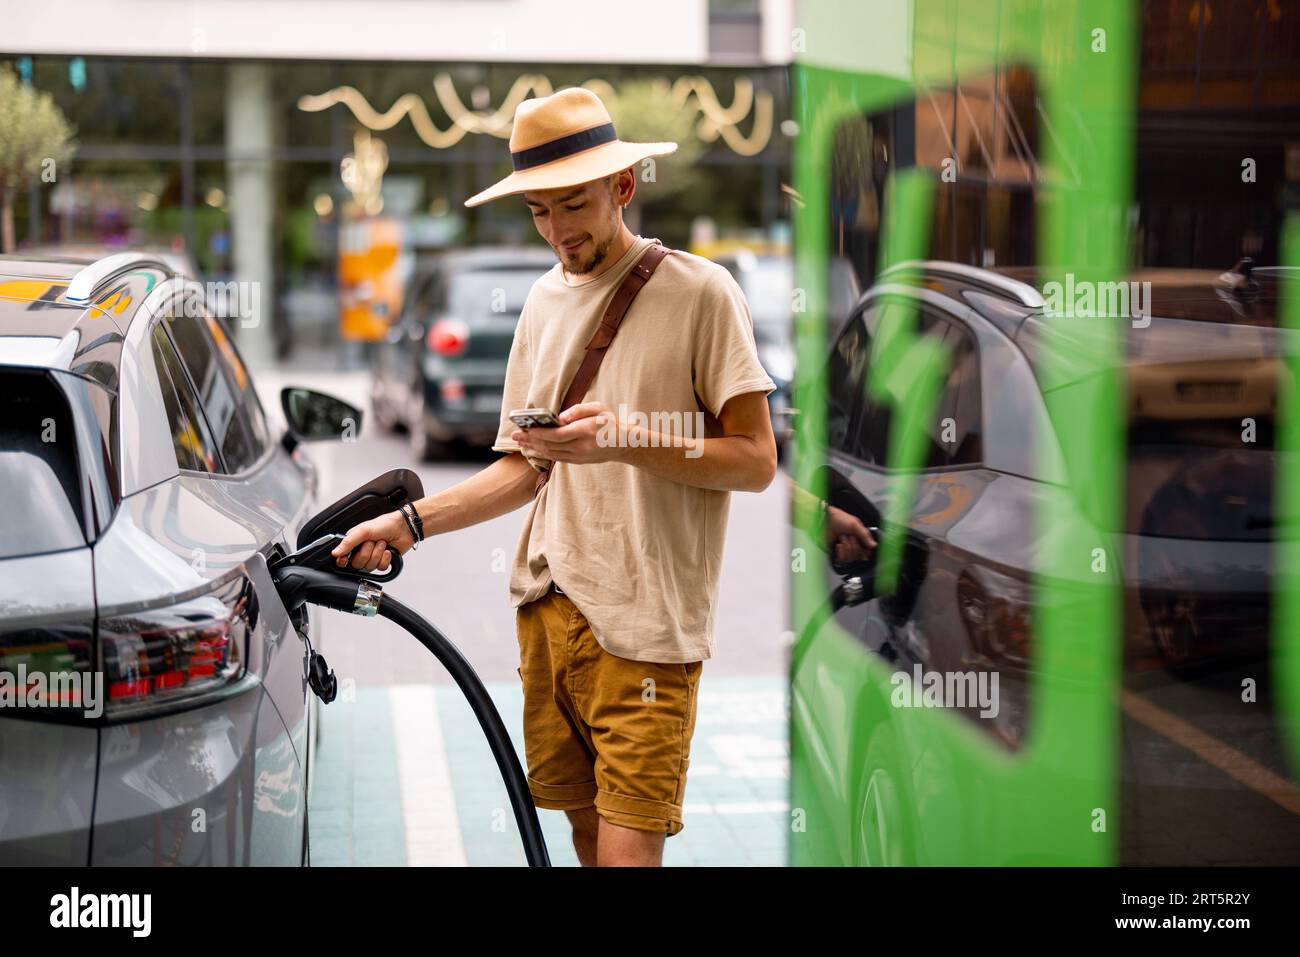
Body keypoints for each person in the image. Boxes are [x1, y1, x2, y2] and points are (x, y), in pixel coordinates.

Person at [331, 86, 779, 866]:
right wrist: (407, 525)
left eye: (573, 205)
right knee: (580, 842)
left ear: (624, 186)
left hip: (647, 636)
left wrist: (630, 439)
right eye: (539, 212)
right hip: (549, 613)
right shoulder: (540, 302)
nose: (558, 231)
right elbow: (522, 470)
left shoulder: (702, 294)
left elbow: (757, 461)